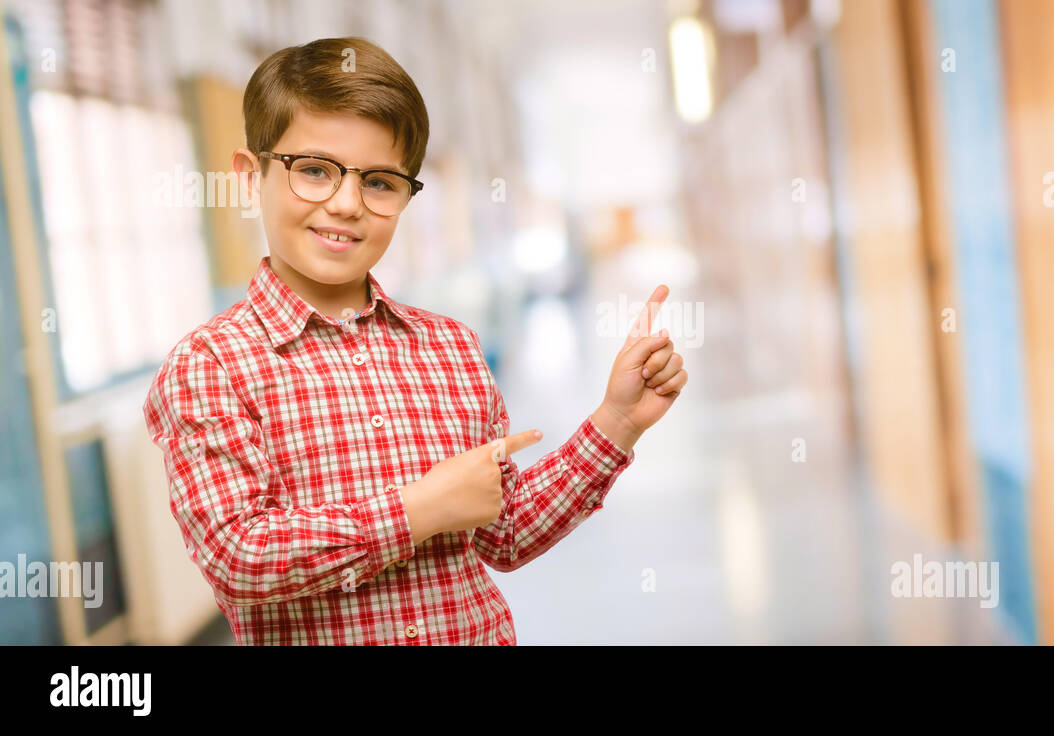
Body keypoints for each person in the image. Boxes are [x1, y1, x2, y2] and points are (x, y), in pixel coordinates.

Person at [141, 37, 687, 645]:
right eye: (315, 170)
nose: (347, 205)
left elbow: (504, 535)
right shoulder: (210, 366)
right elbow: (239, 556)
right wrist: (416, 511)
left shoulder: (449, 349)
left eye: (379, 182)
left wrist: (617, 421)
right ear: (250, 177)